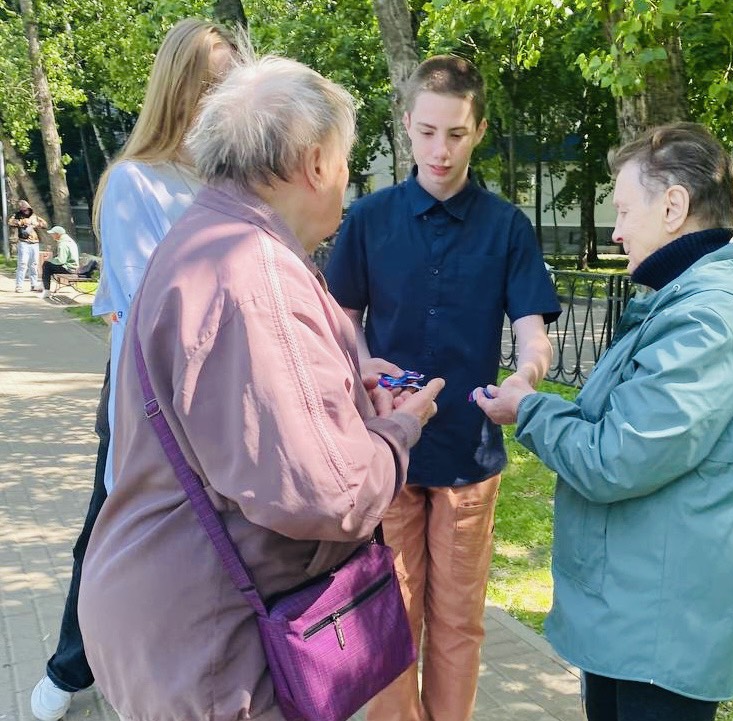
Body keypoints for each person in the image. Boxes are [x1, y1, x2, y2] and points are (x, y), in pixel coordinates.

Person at [78, 54, 443, 721]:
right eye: (344, 162)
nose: (345, 182)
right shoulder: (254, 270)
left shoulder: (210, 235)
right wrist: (397, 431)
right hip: (216, 648)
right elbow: (325, 494)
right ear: (311, 163)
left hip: (170, 619)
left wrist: (339, 377)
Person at [474, 123, 733, 721]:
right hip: (640, 615)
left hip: (664, 628)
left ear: (674, 206)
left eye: (626, 210)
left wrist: (526, 410)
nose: (616, 230)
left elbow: (616, 457)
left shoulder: (709, 321)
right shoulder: (683, 303)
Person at [324, 55, 562, 721]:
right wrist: (362, 373)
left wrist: (527, 374)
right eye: (426, 131)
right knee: (389, 622)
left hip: (467, 452)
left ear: (478, 130)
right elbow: (342, 320)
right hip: (386, 450)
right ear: (406, 126)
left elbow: (531, 327)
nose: (439, 149)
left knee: (457, 620)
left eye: (455, 133)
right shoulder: (368, 219)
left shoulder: (506, 226)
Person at [29, 19, 241, 721]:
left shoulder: (232, 183)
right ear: (179, 88)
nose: (223, 99)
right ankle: (71, 666)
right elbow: (158, 308)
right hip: (147, 408)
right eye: (212, 84)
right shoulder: (135, 182)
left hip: (222, 407)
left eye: (231, 85)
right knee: (109, 542)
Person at [7, 199, 47, 292]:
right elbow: (10, 222)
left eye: (27, 209)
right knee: (22, 264)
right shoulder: (17, 215)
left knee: (34, 264)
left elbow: (45, 224)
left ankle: (34, 284)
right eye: (23, 210)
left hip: (35, 243)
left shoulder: (34, 216)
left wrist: (37, 224)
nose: (26, 211)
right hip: (24, 242)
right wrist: (22, 222)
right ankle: (19, 286)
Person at [40, 225, 79, 298]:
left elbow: (61, 260)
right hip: (73, 267)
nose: (51, 236)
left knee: (46, 265)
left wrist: (49, 260)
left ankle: (46, 289)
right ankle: (44, 284)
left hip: (69, 269)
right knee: (48, 266)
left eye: (52, 234)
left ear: (58, 234)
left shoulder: (63, 244)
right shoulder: (69, 240)